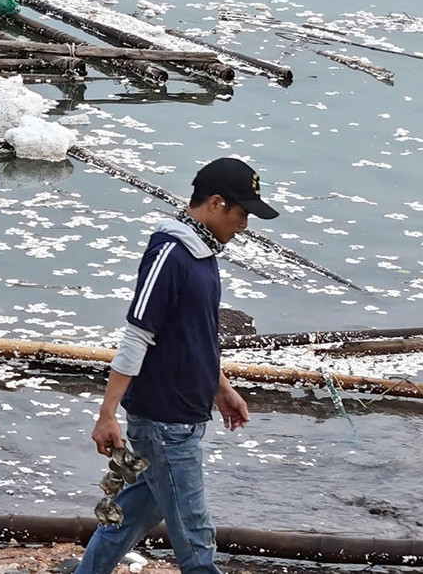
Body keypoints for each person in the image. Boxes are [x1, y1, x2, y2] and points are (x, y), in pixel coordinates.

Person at [74, 156, 280, 574]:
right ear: (216, 203)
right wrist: (107, 413)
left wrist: (220, 387)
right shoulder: (171, 252)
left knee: (132, 516)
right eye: (242, 214)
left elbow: (196, 335)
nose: (244, 226)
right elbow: (137, 333)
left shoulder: (204, 254)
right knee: (194, 531)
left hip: (184, 415)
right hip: (164, 424)